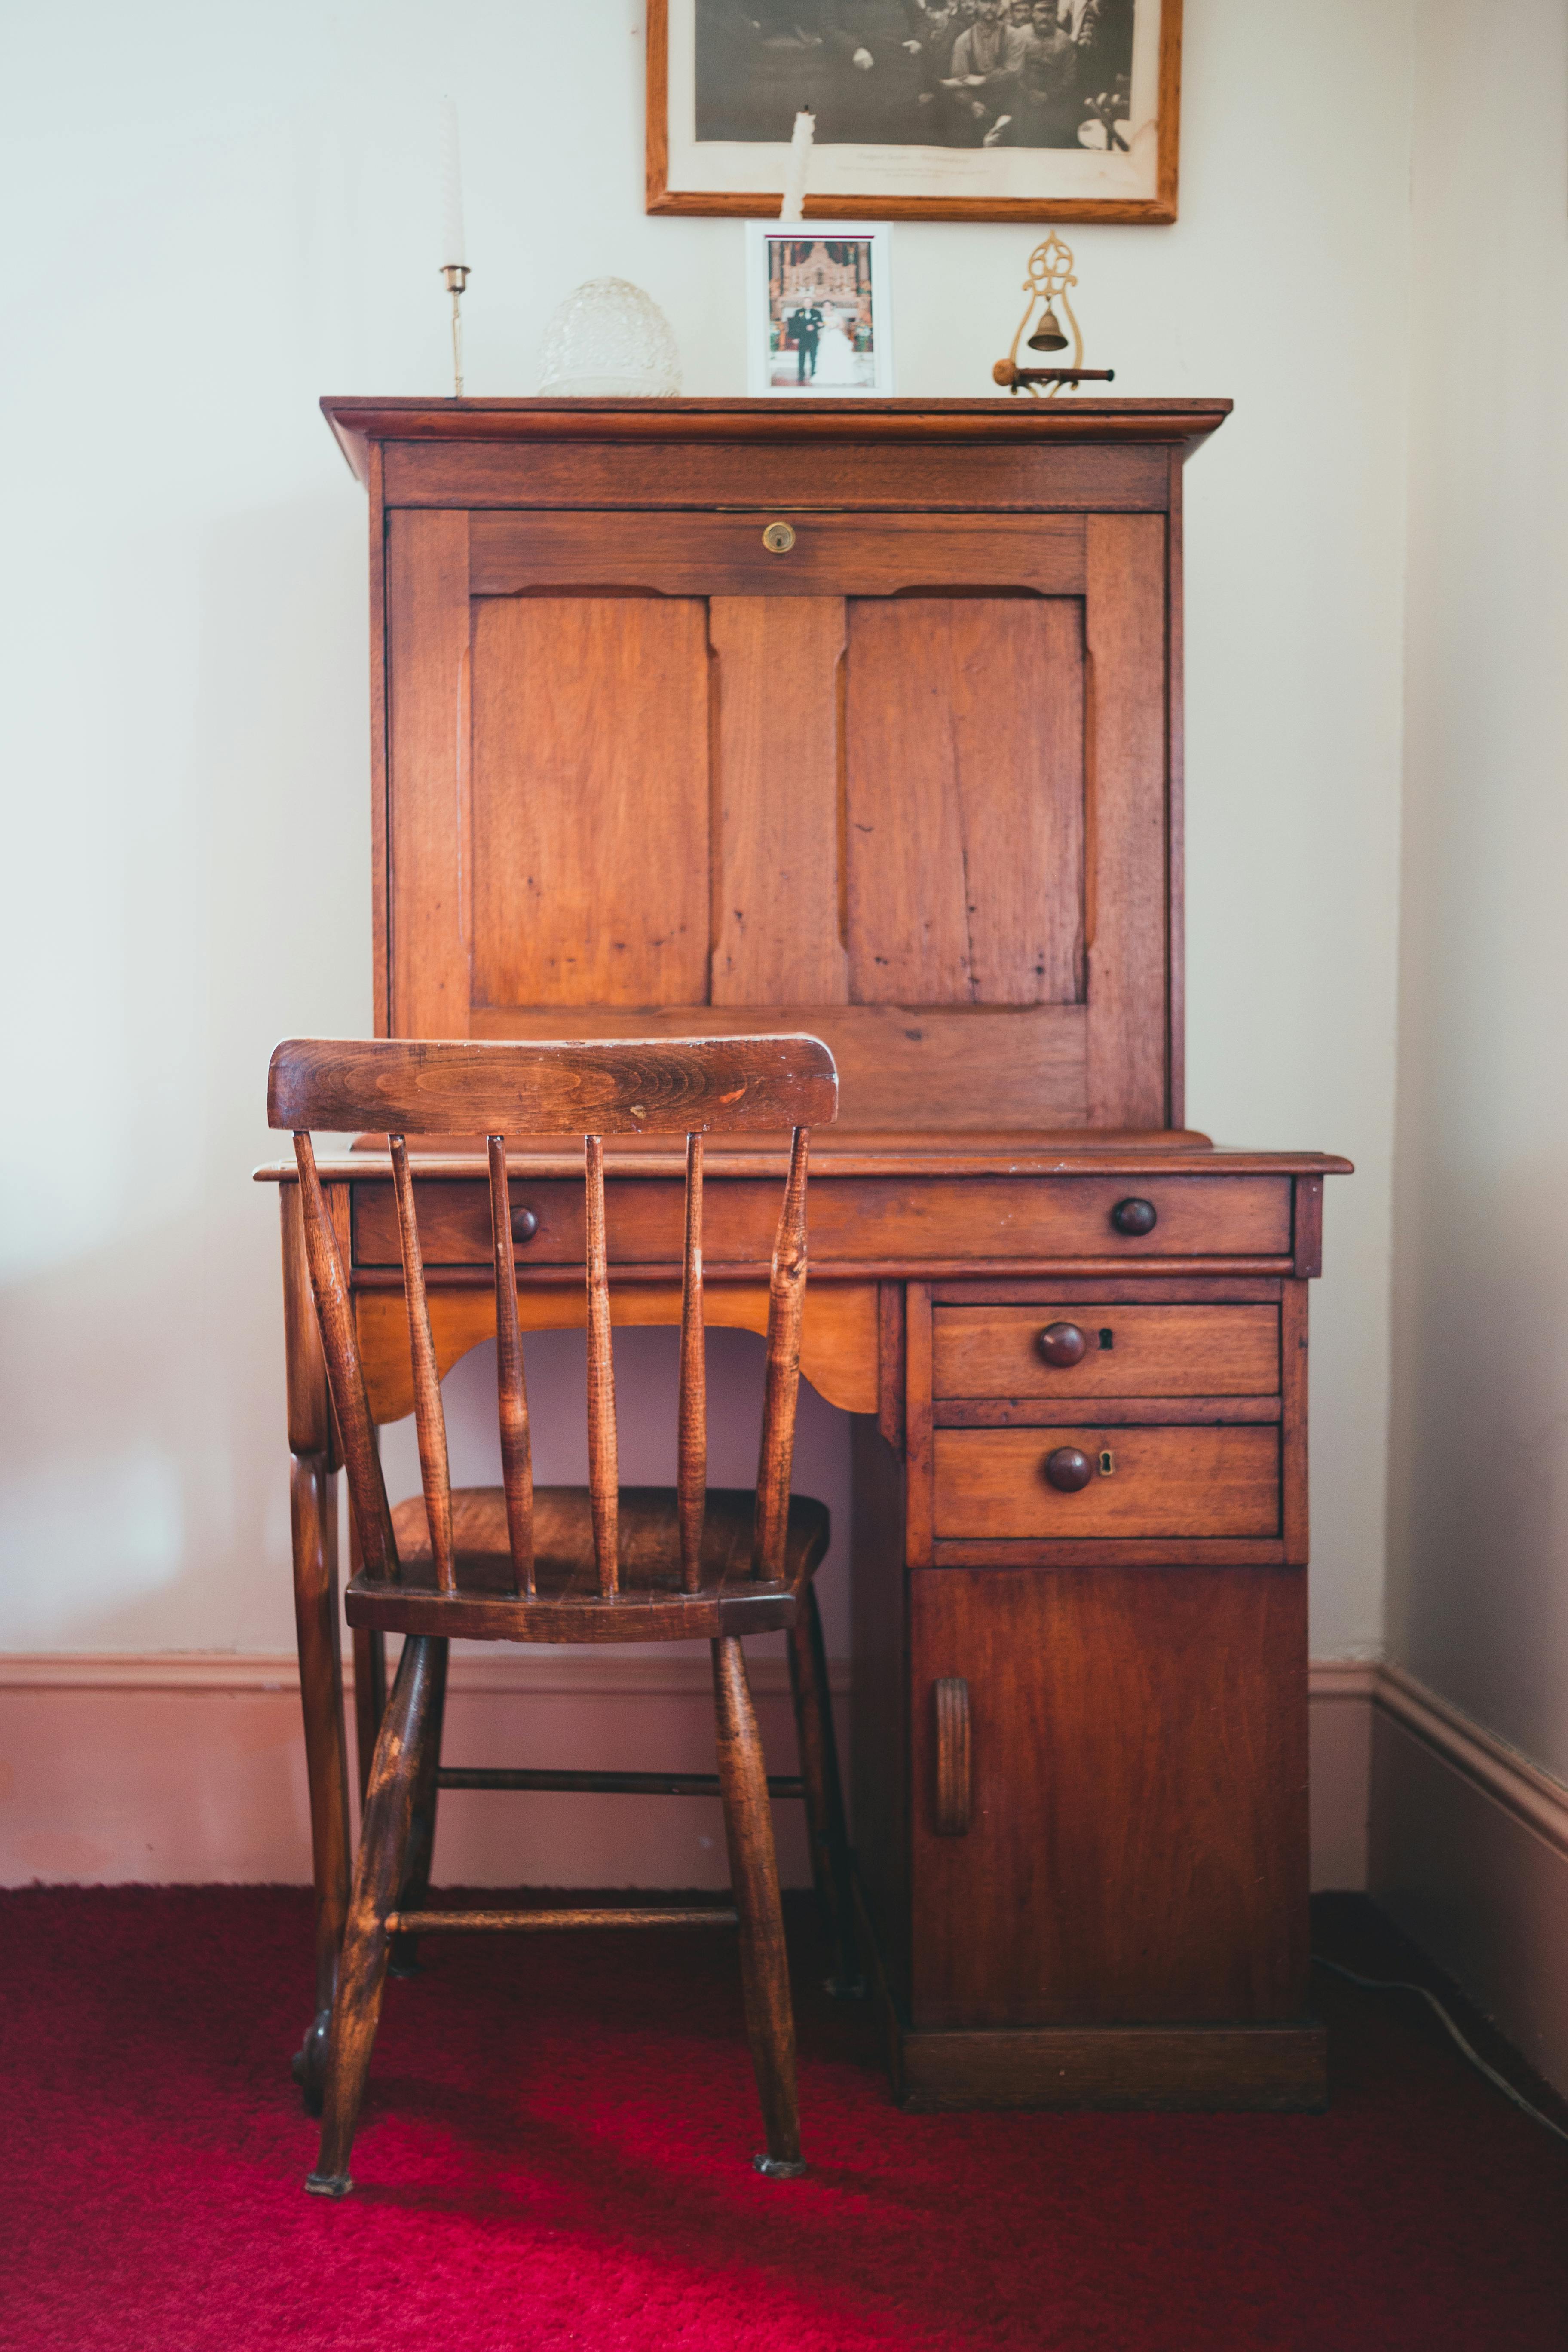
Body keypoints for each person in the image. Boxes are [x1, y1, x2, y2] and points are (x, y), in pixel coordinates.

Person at [941, 0, 1026, 143]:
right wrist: (971, 104)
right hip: (979, 102)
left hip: (1008, 100)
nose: (990, 7)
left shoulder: (1014, 36)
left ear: (1000, 6)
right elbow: (959, 79)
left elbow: (1014, 71)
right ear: (975, 4)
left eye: (994, 3)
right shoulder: (964, 40)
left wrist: (984, 80)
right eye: (985, 2)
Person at [1011, 0, 1078, 143]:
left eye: (1050, 12)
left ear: (1056, 15)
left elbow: (1071, 75)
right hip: (1024, 100)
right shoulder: (1019, 36)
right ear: (1033, 13)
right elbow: (1013, 70)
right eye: (1041, 11)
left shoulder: (1064, 40)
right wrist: (1028, 94)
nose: (1045, 17)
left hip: (1055, 101)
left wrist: (1048, 96)